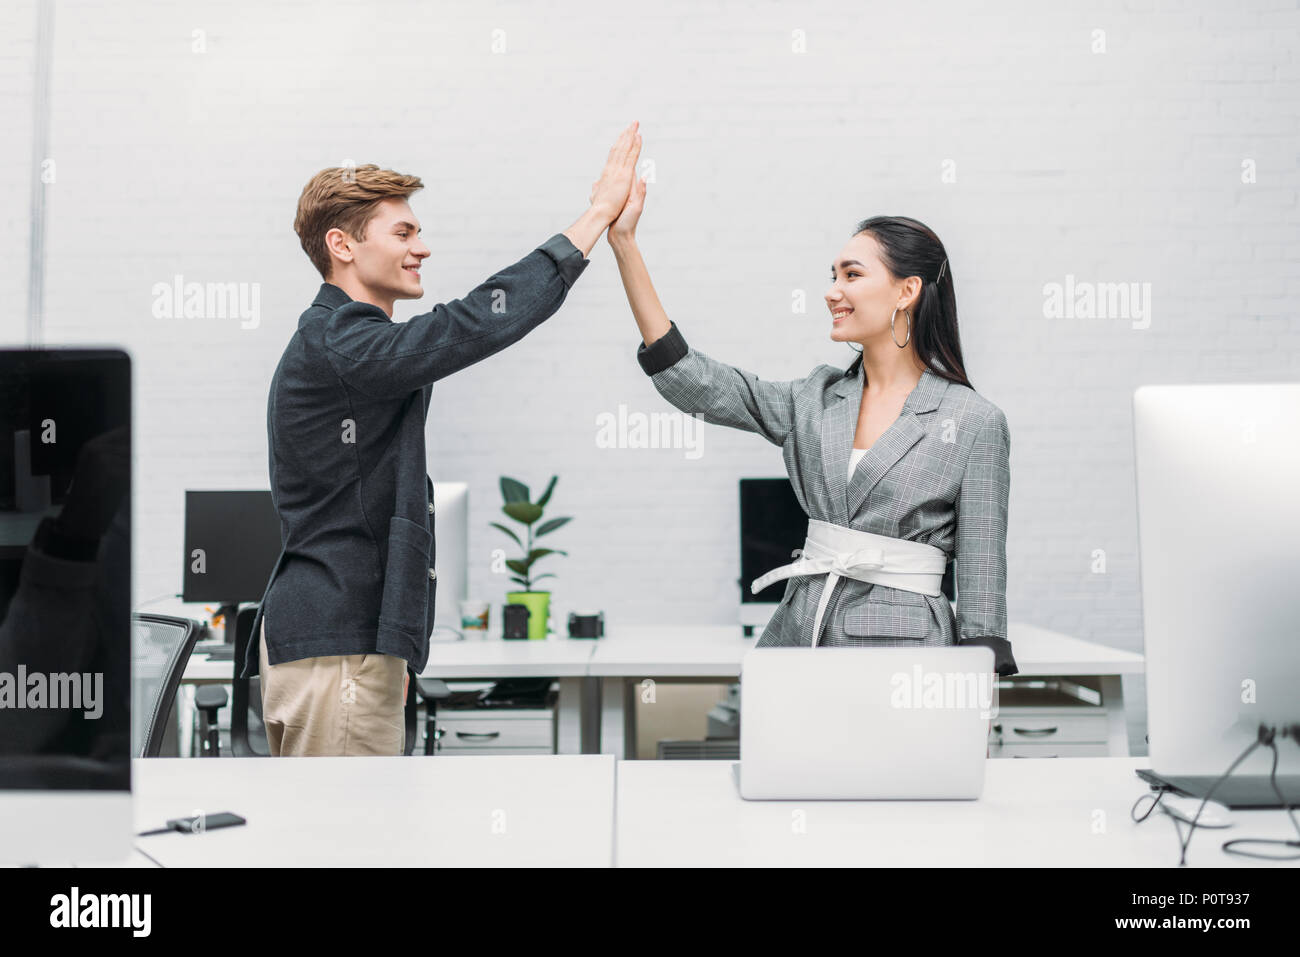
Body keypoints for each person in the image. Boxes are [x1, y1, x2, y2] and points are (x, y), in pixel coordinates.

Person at [240, 123, 644, 756]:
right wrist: (592, 220)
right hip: (337, 644)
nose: (422, 247)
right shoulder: (343, 340)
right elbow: (474, 322)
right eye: (403, 233)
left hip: (346, 643)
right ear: (341, 244)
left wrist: (391, 649)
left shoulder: (345, 341)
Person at [610, 167, 1017, 676]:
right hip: (800, 638)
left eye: (852, 274)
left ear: (907, 290)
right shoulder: (817, 399)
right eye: (833, 276)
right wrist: (624, 244)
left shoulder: (974, 421)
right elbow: (699, 383)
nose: (832, 291)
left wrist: (974, 693)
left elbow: (982, 574)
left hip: (907, 658)